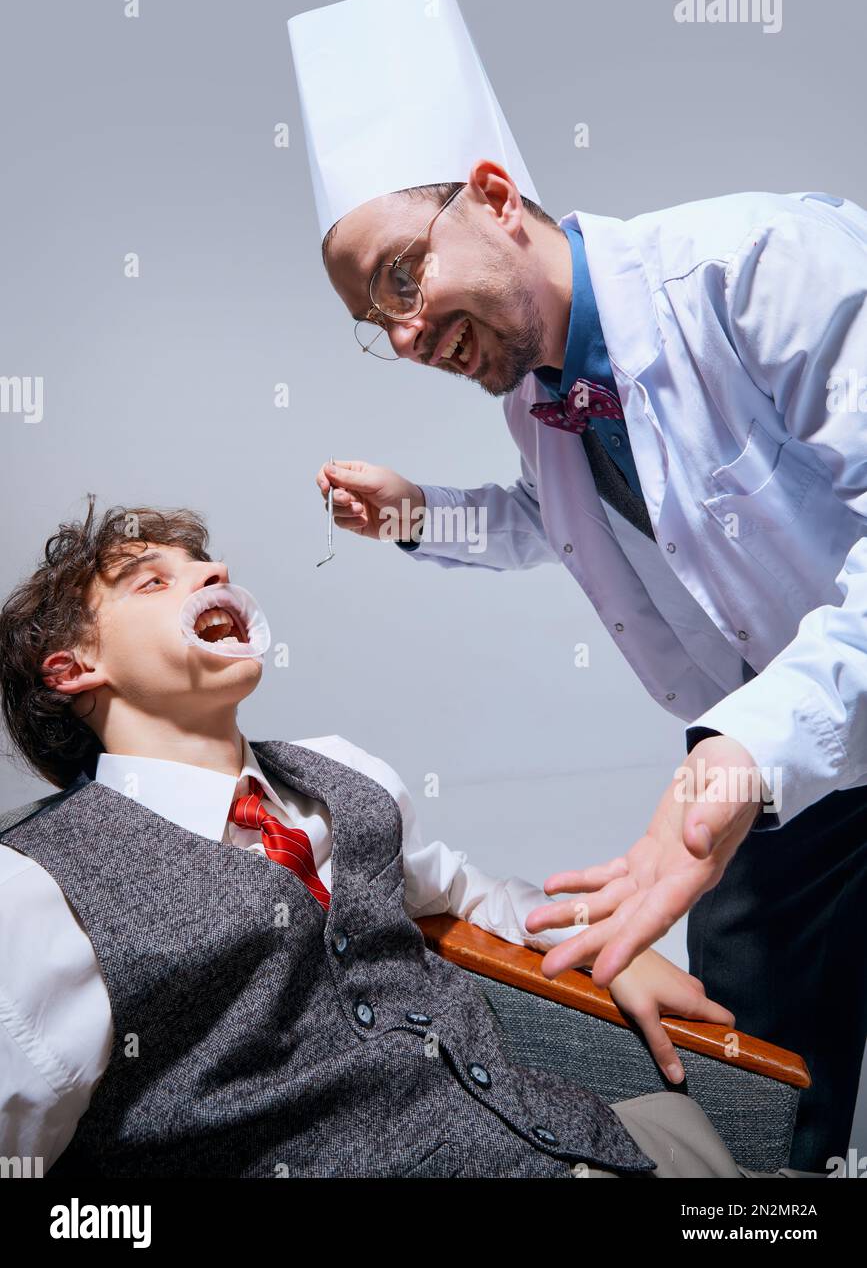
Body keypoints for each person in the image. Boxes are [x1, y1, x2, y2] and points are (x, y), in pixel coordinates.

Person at [290, 0, 867, 1171]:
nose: (401, 337)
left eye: (401, 279)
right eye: (371, 318)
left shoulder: (765, 265)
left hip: (767, 736)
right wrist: (417, 516)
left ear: (494, 197)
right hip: (768, 768)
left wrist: (746, 749)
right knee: (755, 1100)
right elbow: (552, 526)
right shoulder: (538, 397)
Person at [0, 499, 817, 1179]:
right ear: (72, 669)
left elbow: (466, 896)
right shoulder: (36, 895)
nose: (212, 575)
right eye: (154, 581)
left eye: (206, 564)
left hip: (581, 1142)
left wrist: (604, 944)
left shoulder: (344, 776)